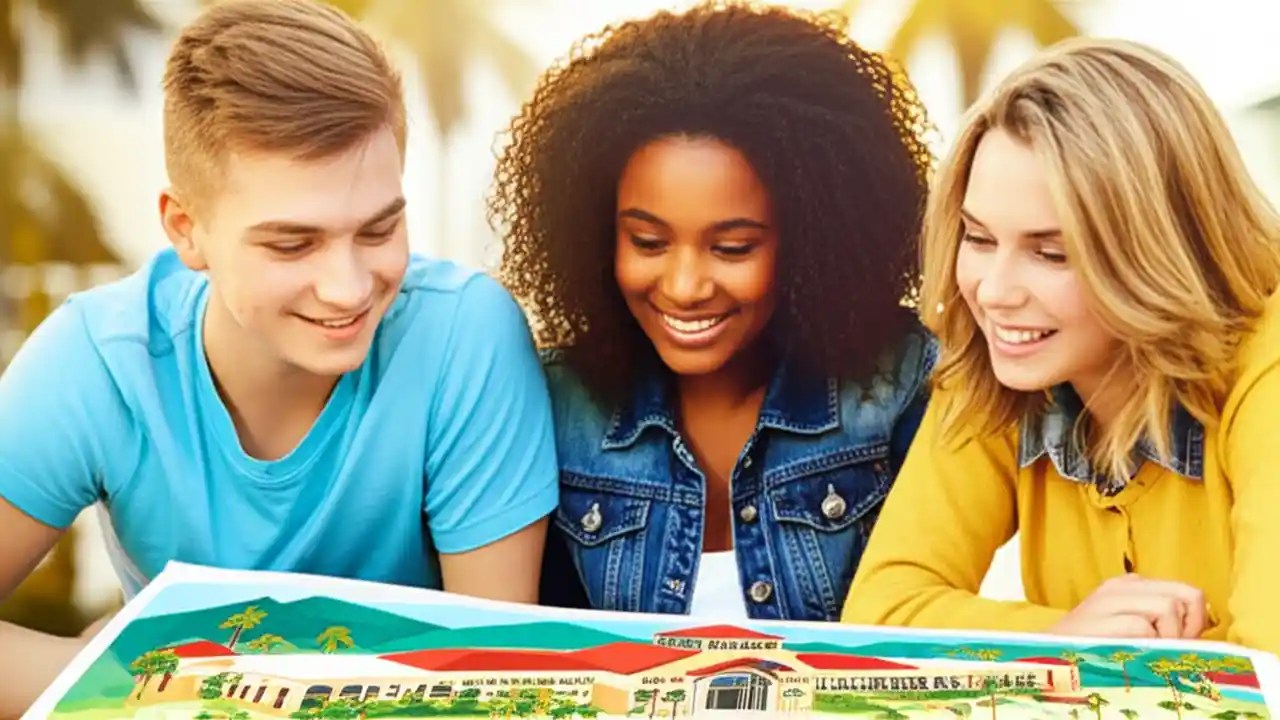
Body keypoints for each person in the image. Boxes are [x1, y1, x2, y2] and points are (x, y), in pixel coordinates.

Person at [0, 0, 557, 711]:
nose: (349, 287)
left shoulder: (464, 339)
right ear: (186, 228)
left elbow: (496, 675)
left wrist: (177, 681)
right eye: (293, 244)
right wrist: (121, 680)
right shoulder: (99, 364)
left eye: (380, 228)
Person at [492, 2, 935, 622]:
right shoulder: (554, 403)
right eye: (647, 242)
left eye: (732, 248)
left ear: (812, 240)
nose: (684, 285)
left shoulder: (902, 385)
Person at [841, 37, 1280, 653]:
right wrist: (1060, 636)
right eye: (979, 238)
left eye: (1051, 253)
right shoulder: (1000, 355)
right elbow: (882, 615)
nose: (993, 293)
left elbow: (1270, 678)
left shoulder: (1269, 372)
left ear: (1160, 252)